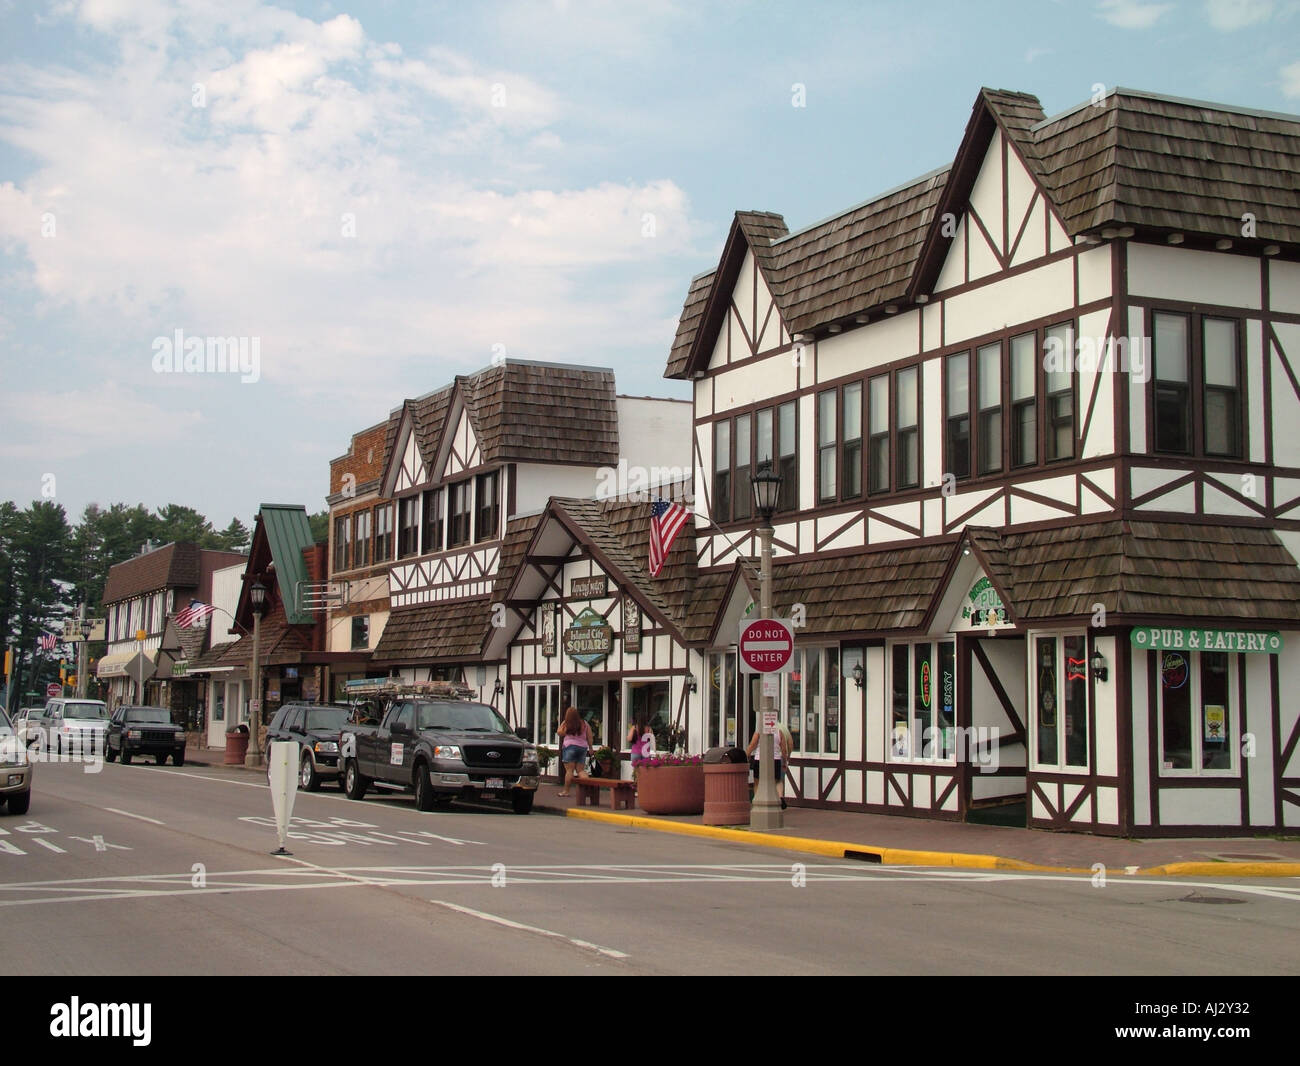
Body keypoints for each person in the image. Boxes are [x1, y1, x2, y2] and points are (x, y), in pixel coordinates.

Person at [745, 721, 790, 810]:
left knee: (757, 782)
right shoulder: (779, 732)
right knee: (775, 782)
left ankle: (756, 802)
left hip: (760, 759)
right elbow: (784, 749)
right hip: (776, 759)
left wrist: (747, 755)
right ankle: (776, 801)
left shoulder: (759, 731)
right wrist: (784, 761)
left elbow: (752, 745)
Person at [556, 705, 593, 796]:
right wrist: (591, 748)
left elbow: (559, 732)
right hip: (582, 748)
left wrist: (562, 723)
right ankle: (588, 790)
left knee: (569, 771)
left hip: (569, 747)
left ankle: (566, 791)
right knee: (581, 770)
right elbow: (590, 737)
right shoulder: (585, 723)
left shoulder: (566, 723)